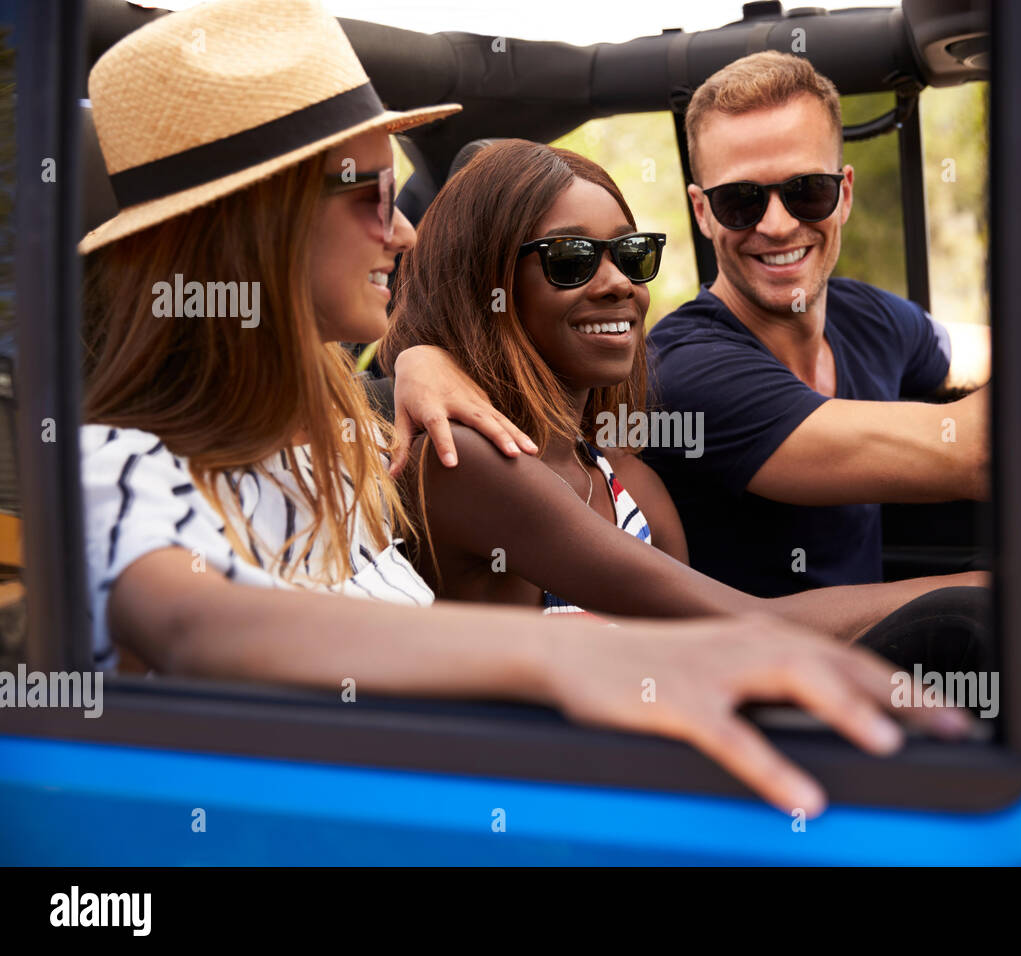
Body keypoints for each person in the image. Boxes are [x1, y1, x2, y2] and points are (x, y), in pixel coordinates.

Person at [75, 0, 973, 817]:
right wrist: (578, 656)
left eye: (633, 252)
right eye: (370, 199)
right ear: (254, 226)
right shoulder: (115, 465)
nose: (403, 231)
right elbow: (194, 623)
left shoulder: (333, 460)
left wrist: (419, 357)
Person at [377, 138, 990, 668]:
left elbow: (706, 651)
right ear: (486, 285)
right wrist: (990, 590)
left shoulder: (635, 487)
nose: (618, 281)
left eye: (632, 253)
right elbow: (744, 623)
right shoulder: (462, 461)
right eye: (572, 259)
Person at [638, 51, 992, 597]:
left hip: (870, 662)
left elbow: (995, 351)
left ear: (843, 195)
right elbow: (980, 452)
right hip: (755, 677)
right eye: (740, 201)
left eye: (807, 191)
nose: (777, 226)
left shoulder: (867, 316)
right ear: (703, 212)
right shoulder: (684, 371)